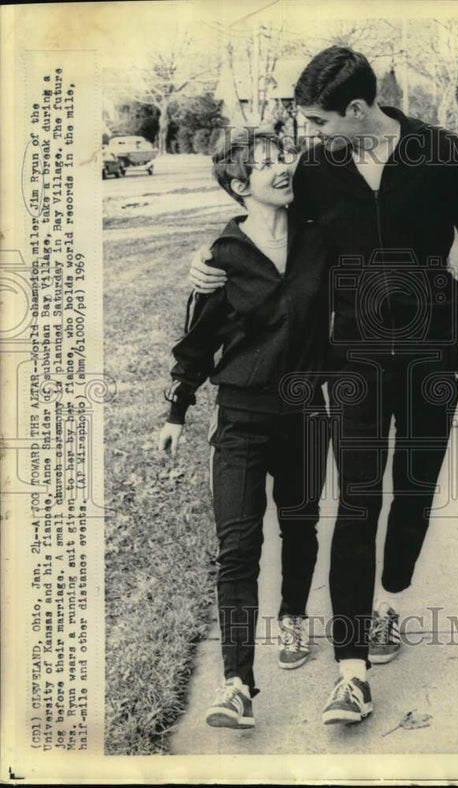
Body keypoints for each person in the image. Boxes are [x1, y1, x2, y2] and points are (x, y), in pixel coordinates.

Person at [189, 47, 458, 726]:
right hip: (353, 361)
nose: (311, 134)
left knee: (413, 489)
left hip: (430, 361)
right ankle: (351, 670)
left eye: (319, 120)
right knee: (358, 501)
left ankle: (390, 601)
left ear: (358, 110)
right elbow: (264, 227)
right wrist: (207, 261)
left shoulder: (441, 153)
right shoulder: (319, 170)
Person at [160, 127, 331, 729]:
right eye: (265, 165)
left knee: (300, 525)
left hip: (308, 415)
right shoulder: (223, 257)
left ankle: (291, 617)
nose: (282, 168)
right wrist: (178, 408)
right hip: (241, 419)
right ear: (240, 186)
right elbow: (198, 338)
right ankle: (236, 683)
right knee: (237, 548)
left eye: (282, 157)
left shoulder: (318, 236)